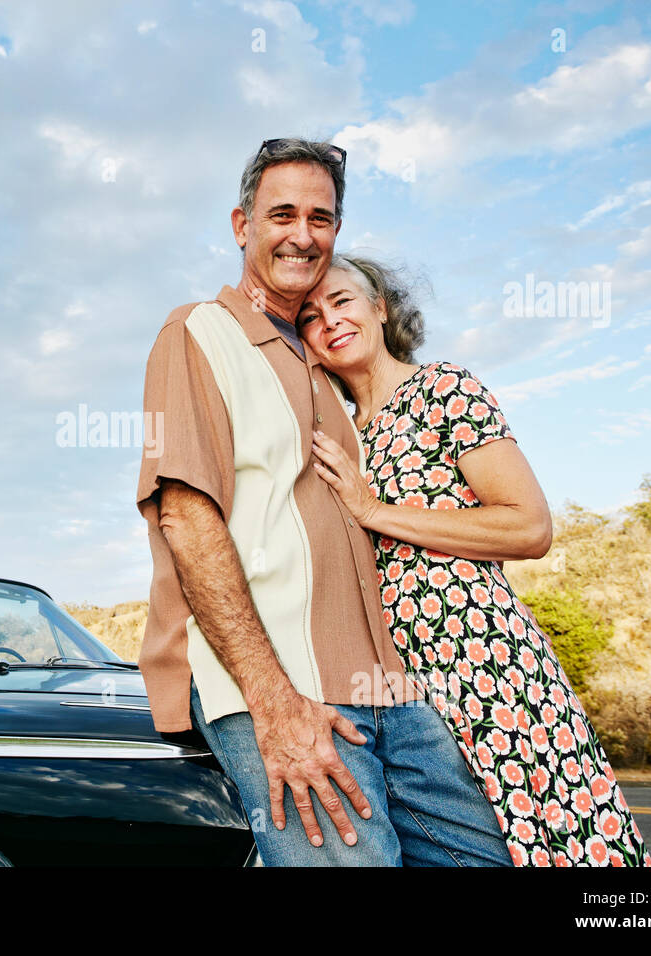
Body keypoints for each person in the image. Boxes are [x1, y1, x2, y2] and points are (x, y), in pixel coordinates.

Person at [135, 138, 512, 865]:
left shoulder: (326, 369)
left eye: (322, 218)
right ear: (242, 225)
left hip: (394, 691)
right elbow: (186, 516)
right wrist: (274, 702)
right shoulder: (197, 332)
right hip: (282, 685)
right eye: (282, 214)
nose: (303, 234)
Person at [301, 255, 651, 866]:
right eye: (310, 316)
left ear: (380, 308)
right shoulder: (343, 431)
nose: (329, 321)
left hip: (485, 661)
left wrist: (372, 508)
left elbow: (529, 524)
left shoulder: (443, 387)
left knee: (549, 837)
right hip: (400, 682)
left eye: (342, 302)